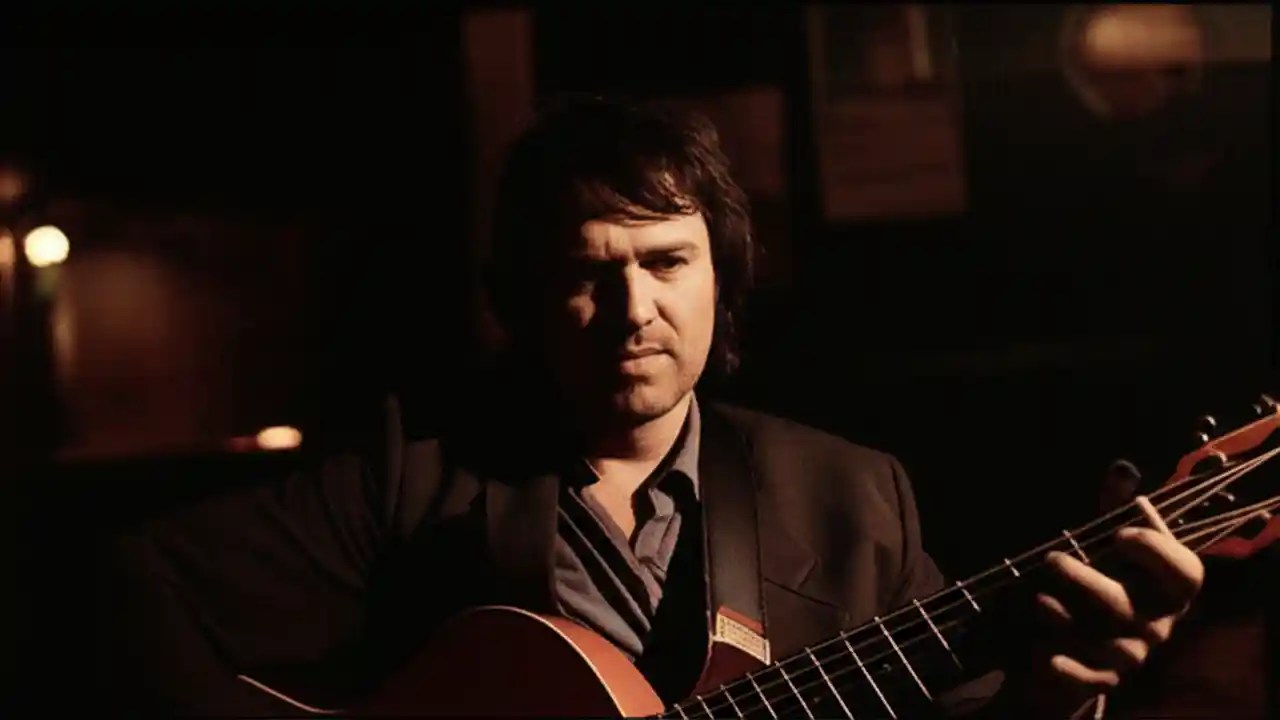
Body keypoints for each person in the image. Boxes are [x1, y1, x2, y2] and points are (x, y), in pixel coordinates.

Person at [92, 95, 1204, 718]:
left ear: (721, 279)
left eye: (667, 261)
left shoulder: (851, 495)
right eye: (588, 271)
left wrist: (1059, 694)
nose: (632, 309)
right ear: (521, 303)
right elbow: (129, 587)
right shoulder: (412, 472)